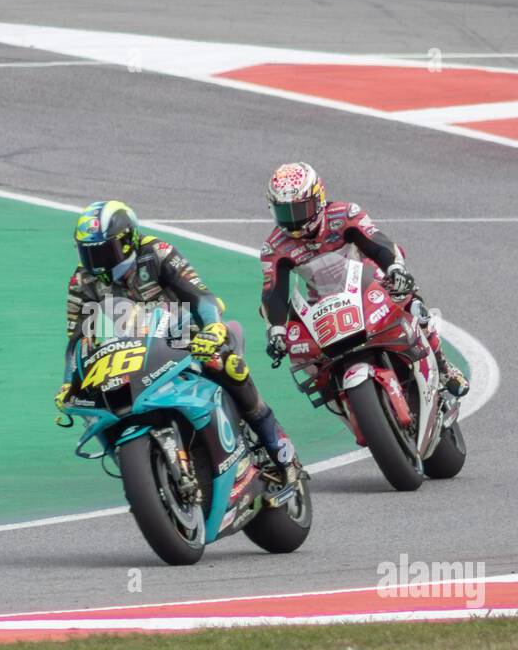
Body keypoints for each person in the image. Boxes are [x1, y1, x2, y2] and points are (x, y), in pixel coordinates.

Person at [56, 200, 301, 481]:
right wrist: (68, 382)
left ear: (127, 241)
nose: (95, 263)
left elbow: (199, 295)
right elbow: (77, 340)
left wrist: (212, 328)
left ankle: (278, 445)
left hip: (182, 336)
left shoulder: (156, 252)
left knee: (225, 363)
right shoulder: (82, 280)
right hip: (128, 352)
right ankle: (137, 469)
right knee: (96, 404)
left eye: (102, 252)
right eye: (88, 254)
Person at [259, 162, 469, 397]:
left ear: (318, 199)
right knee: (310, 361)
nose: (293, 221)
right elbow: (273, 292)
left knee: (411, 302)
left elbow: (378, 243)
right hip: (323, 305)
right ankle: (345, 405)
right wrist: (276, 330)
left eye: (299, 210)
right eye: (284, 213)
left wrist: (395, 268)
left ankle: (442, 365)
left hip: (368, 283)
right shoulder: (274, 247)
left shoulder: (344, 214)